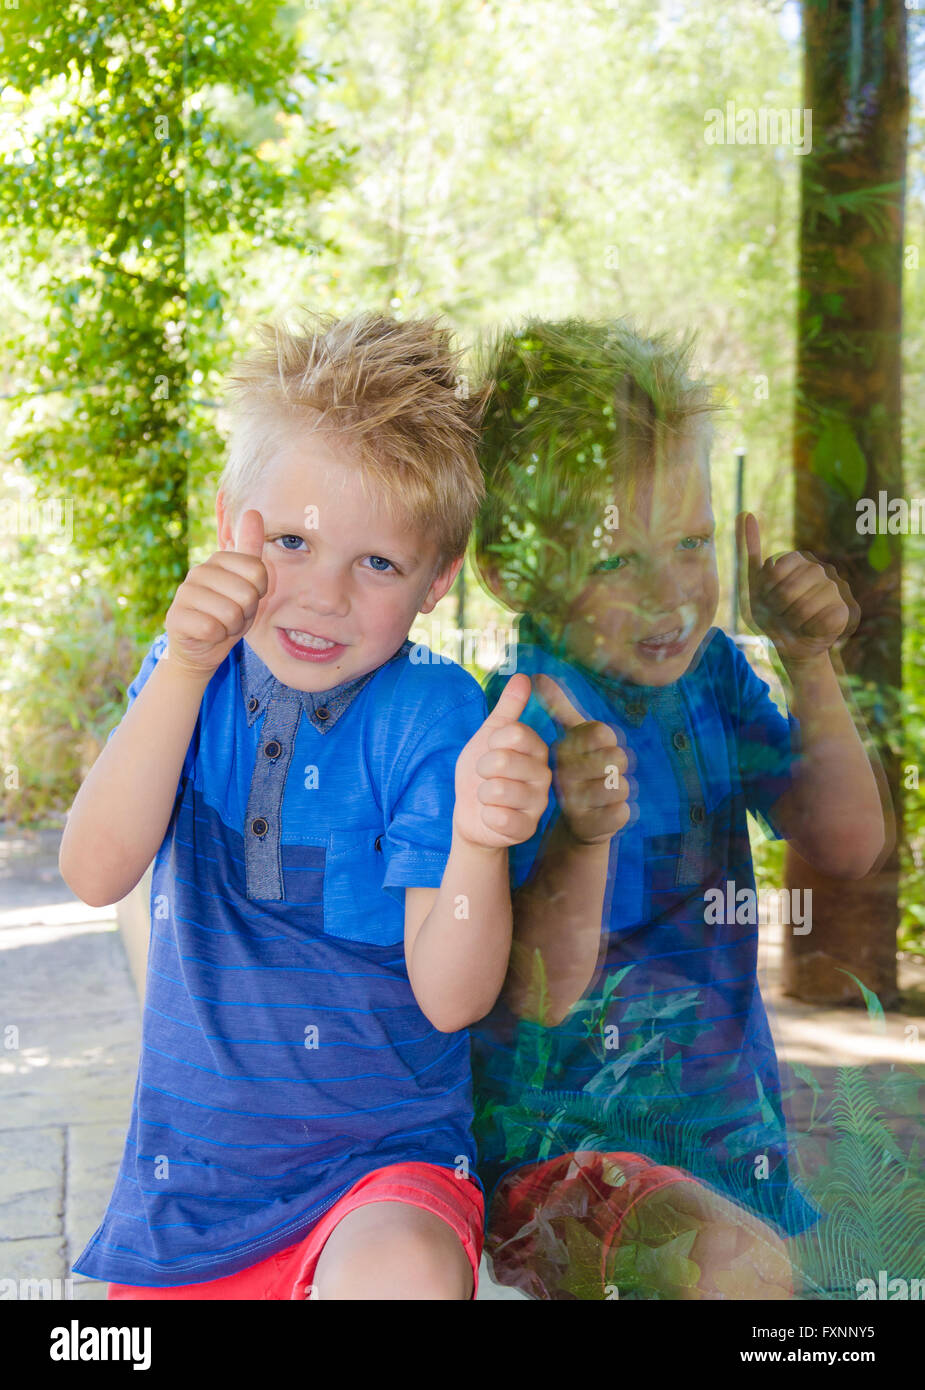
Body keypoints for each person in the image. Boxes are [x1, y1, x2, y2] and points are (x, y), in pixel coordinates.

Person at [61, 309, 552, 1300]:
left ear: (436, 580)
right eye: (291, 541)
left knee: (404, 1278)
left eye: (376, 562)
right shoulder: (186, 673)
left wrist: (474, 840)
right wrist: (184, 666)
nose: (322, 595)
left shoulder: (432, 715)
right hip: (191, 1192)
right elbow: (93, 869)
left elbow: (451, 996)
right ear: (228, 520)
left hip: (382, 1172)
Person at [468, 316, 889, 1300]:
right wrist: (583, 834)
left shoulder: (712, 681)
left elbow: (846, 843)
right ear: (514, 571)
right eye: (618, 560)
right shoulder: (518, 730)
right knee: (732, 1272)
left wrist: (808, 661)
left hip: (727, 1138)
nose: (669, 592)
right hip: (559, 1164)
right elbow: (534, 995)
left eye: (692, 542)